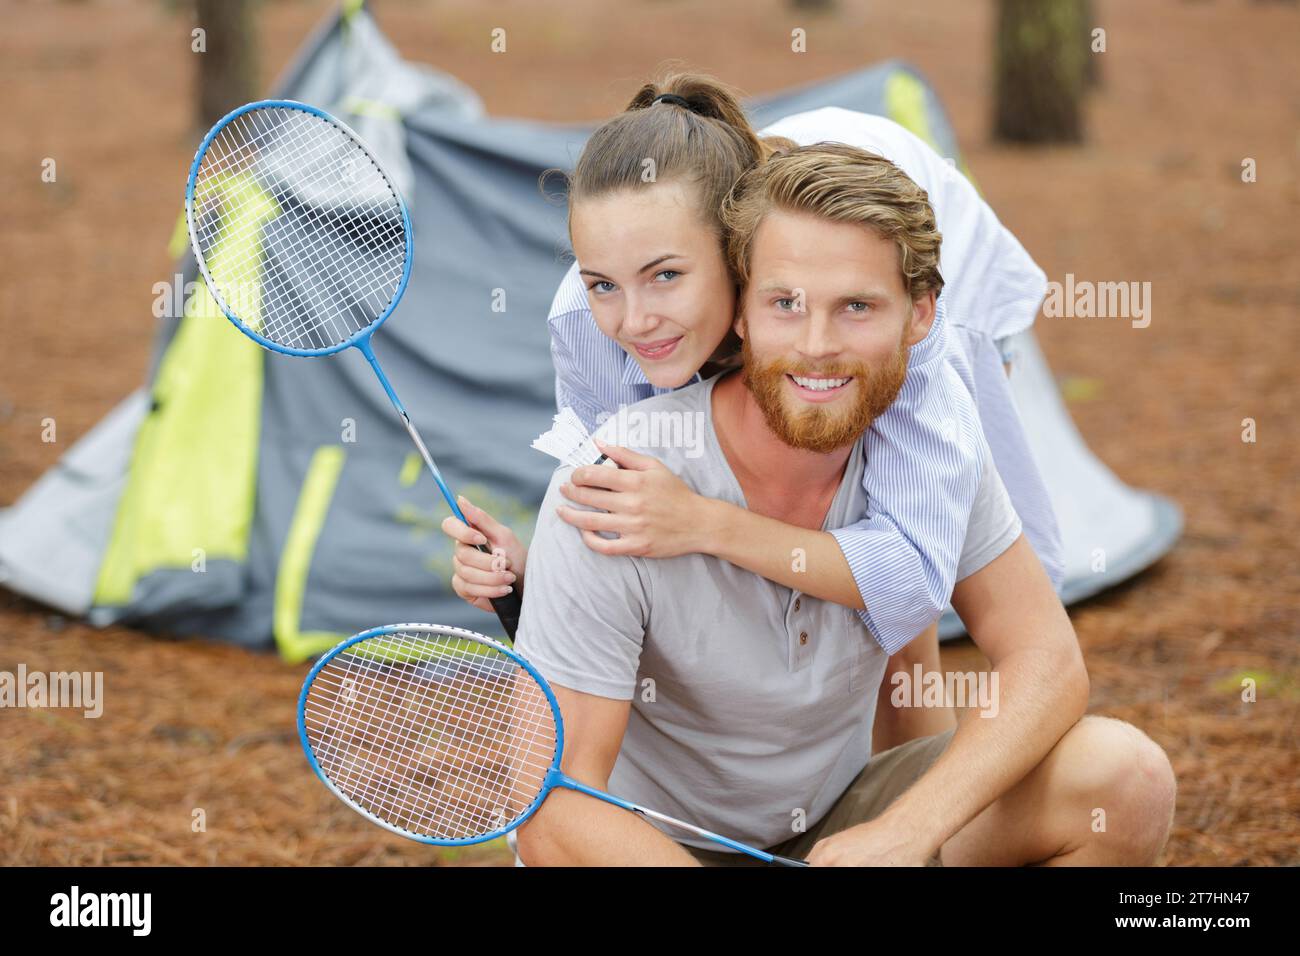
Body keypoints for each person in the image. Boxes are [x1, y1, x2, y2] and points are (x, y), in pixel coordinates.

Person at [509, 144, 1175, 866]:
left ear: (919, 315)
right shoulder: (618, 488)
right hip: (657, 848)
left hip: (838, 825)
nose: (817, 347)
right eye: (785, 304)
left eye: (856, 306)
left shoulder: (931, 451)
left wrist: (906, 831)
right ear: (741, 310)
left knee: (1124, 780)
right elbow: (555, 805)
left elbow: (1047, 662)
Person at [443, 73, 1063, 662]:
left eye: (666, 276)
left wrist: (708, 523)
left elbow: (912, 578)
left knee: (902, 616)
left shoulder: (874, 314)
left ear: (738, 259)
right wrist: (533, 577)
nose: (633, 321)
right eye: (604, 283)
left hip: (932, 253)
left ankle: (914, 762)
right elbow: (614, 521)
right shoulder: (585, 319)